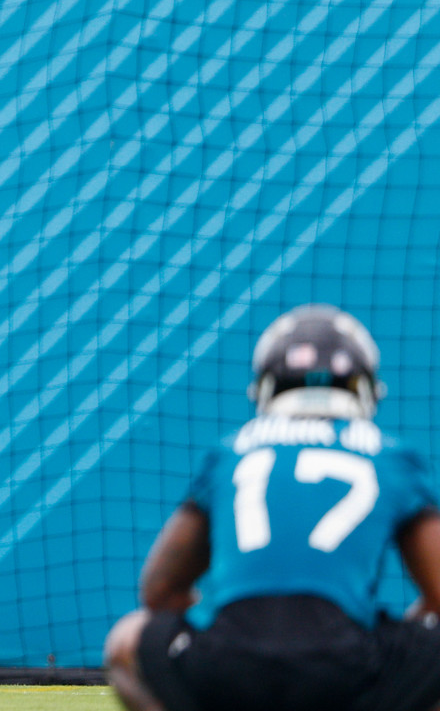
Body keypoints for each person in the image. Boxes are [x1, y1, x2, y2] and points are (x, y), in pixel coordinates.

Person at [104, 303, 440, 711]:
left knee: (125, 640)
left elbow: (159, 591)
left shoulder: (230, 452)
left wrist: (226, 621)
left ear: (266, 385)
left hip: (227, 664)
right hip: (345, 670)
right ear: (365, 385)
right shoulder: (392, 457)